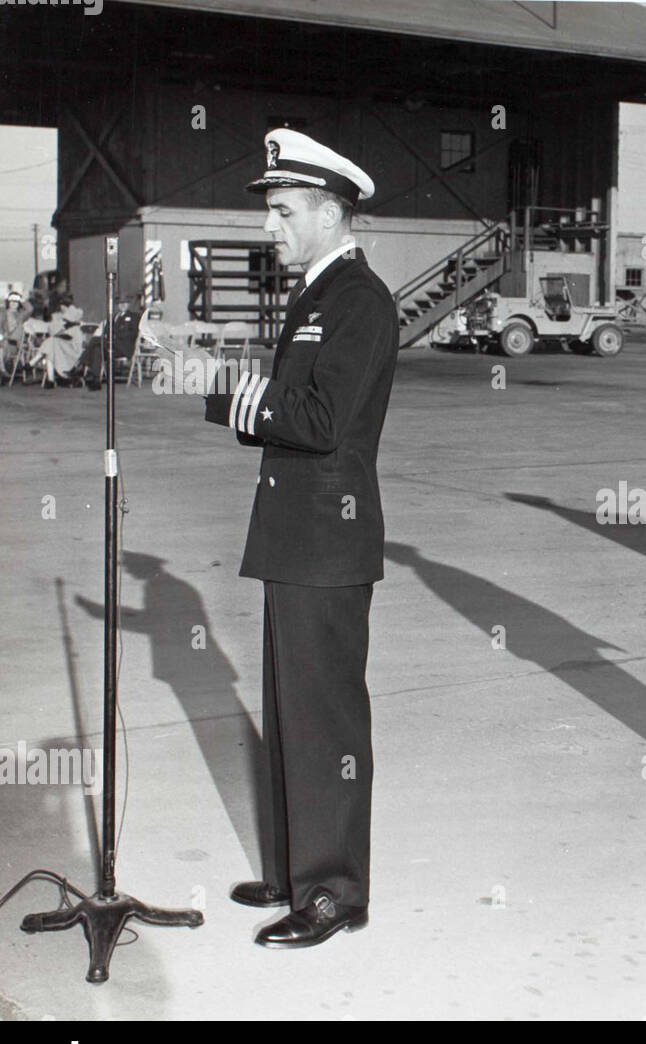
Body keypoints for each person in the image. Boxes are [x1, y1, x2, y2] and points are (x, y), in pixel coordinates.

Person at [202, 128, 399, 947]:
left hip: (328, 538)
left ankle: (334, 891)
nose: (269, 227)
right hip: (296, 537)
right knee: (290, 712)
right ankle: (295, 868)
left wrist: (238, 400)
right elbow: (295, 410)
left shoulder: (359, 300)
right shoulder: (316, 294)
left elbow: (322, 420)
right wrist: (243, 401)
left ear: (329, 209)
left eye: (284, 211)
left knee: (325, 721)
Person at [73, 296, 141, 389]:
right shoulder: (114, 317)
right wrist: (108, 336)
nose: (123, 305)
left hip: (124, 348)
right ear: (117, 305)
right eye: (120, 303)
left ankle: (79, 365)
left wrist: (114, 336)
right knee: (97, 349)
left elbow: (133, 333)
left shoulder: (134, 316)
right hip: (112, 347)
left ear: (128, 304)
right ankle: (96, 380)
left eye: (125, 303)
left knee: (96, 340)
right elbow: (106, 331)